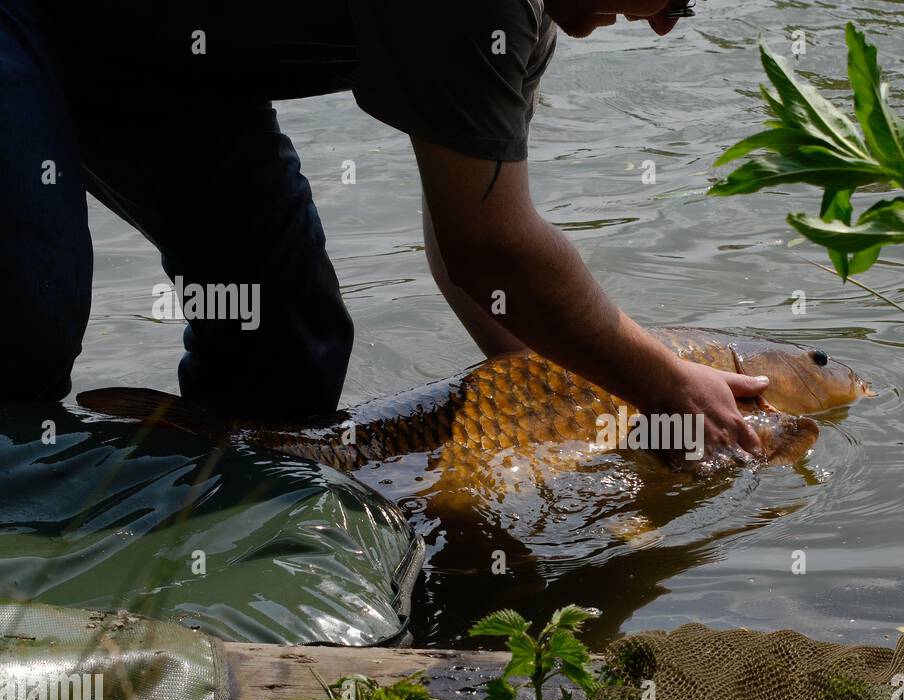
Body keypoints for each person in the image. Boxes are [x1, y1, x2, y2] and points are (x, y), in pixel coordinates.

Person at [0, 0, 768, 458]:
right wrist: (668, 385)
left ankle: (196, 573)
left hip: (163, 54)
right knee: (25, 315)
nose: (668, 25)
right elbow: (495, 251)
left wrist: (560, 404)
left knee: (285, 352)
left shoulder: (522, 30)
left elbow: (469, 242)